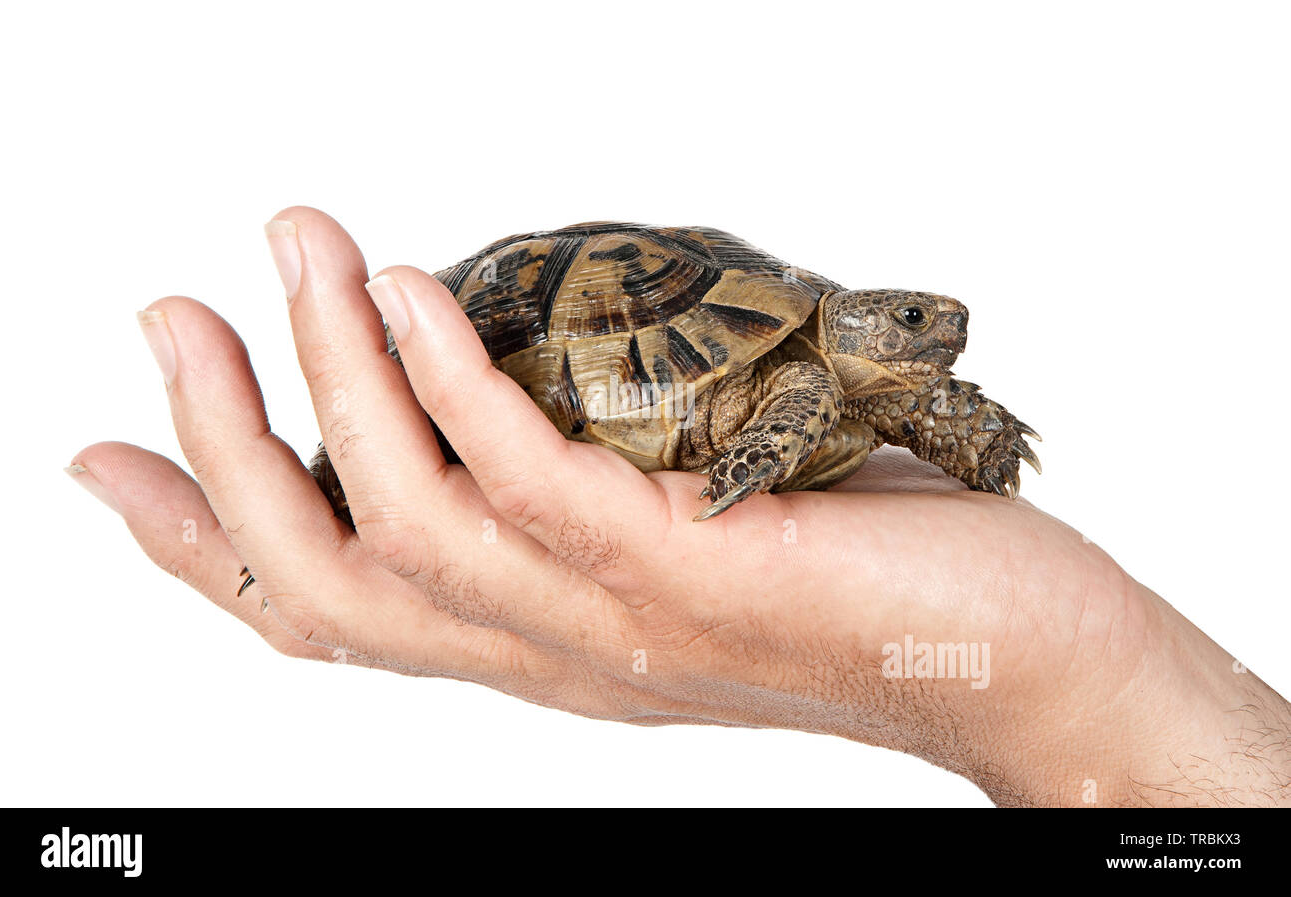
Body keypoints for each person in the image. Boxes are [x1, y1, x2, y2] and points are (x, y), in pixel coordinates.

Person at [68, 208, 1290, 807]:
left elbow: (875, 406)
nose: (938, 336)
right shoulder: (807, 374)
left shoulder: (859, 391)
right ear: (858, 323)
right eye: (913, 323)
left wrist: (1074, 678)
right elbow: (799, 402)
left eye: (935, 328)